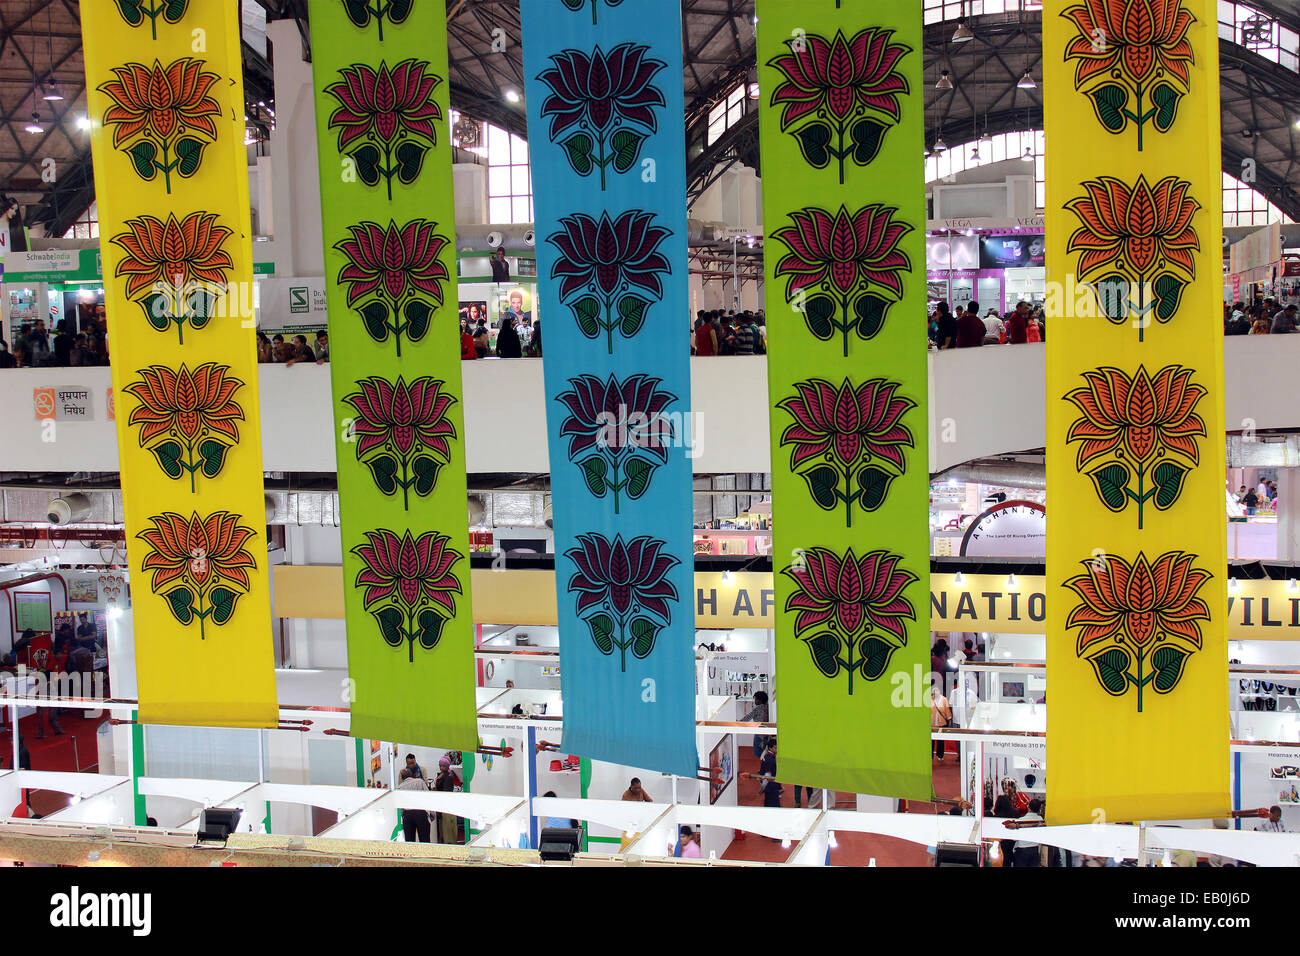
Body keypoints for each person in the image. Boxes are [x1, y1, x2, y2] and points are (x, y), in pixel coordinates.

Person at [397, 774, 431, 842]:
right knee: (424, 839)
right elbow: (428, 796)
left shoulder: (399, 787)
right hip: (420, 812)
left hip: (407, 815)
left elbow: (400, 804)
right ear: (411, 775)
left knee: (410, 842)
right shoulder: (420, 781)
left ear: (402, 778)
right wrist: (431, 814)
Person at [1012, 798, 1045, 867]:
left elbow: (1014, 838)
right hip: (1035, 849)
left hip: (1022, 850)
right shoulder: (1040, 820)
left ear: (1028, 807)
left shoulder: (1021, 820)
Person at [433, 756, 459, 843]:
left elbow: (446, 792)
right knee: (444, 828)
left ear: (447, 766)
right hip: (443, 805)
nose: (441, 767)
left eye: (443, 766)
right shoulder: (445, 774)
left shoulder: (448, 776)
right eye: (440, 766)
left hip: (446, 806)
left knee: (447, 829)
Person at [741, 689, 769, 757]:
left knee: (758, 753)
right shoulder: (768, 707)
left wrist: (738, 722)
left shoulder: (757, 709)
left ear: (760, 700)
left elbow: (747, 717)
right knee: (764, 752)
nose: (755, 701)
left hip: (759, 734)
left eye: (755, 699)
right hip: (767, 733)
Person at [930, 677, 952, 760]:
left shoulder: (944, 699)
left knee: (940, 740)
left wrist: (949, 719)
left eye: (937, 690)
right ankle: (930, 755)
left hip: (941, 723)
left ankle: (940, 755)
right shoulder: (929, 699)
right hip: (932, 723)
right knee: (931, 740)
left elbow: (947, 710)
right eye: (934, 691)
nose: (935, 692)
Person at [757, 738, 781, 812]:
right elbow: (767, 776)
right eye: (775, 748)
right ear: (770, 748)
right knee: (774, 808)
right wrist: (762, 788)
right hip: (771, 787)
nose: (777, 749)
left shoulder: (768, 757)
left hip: (771, 786)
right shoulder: (770, 759)